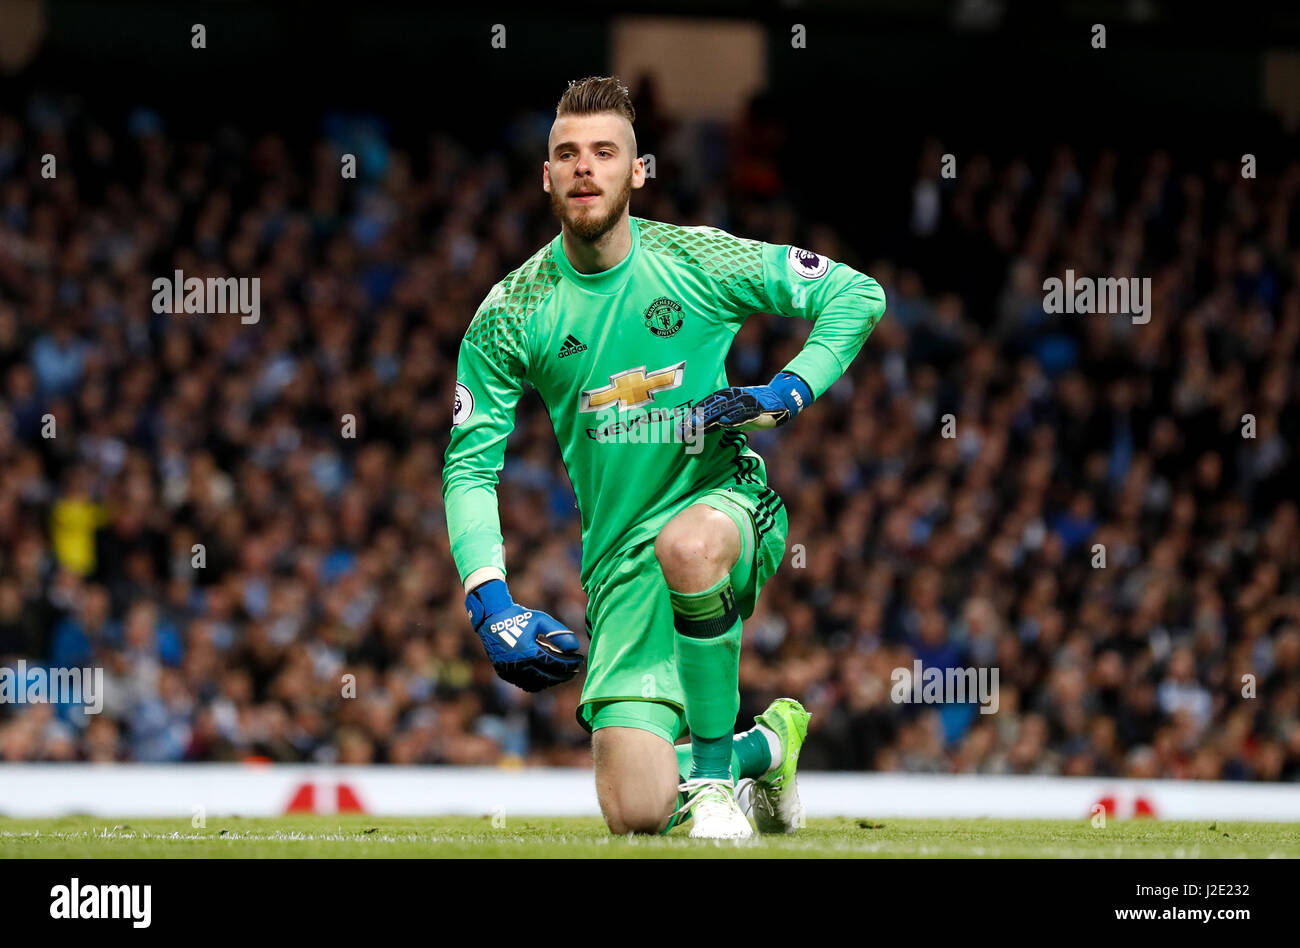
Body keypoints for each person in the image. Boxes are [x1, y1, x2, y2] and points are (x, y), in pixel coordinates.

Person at [442, 76, 886, 837]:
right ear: (546, 175)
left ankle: (713, 781)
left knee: (688, 544)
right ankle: (765, 746)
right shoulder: (512, 312)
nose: (586, 167)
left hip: (726, 506)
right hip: (619, 563)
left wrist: (783, 394)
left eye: (605, 152)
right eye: (568, 155)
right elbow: (468, 467)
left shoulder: (698, 261)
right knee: (637, 811)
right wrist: (489, 602)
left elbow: (857, 294)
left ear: (638, 171)